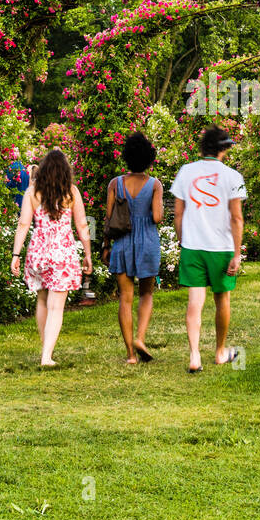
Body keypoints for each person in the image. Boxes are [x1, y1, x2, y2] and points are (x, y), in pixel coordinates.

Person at [170, 126, 246, 373]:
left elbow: (178, 214)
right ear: (223, 148)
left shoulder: (185, 172)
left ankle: (194, 356)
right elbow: (236, 218)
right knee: (222, 299)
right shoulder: (233, 177)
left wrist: (183, 240)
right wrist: (236, 253)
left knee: (195, 301)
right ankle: (220, 351)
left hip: (193, 246)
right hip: (221, 248)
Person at [10, 149, 93, 367]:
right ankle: (46, 356)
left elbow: (23, 224)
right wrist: (88, 254)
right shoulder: (71, 192)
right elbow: (82, 226)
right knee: (56, 307)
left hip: (38, 251)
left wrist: (16, 254)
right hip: (62, 253)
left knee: (42, 300)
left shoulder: (32, 193)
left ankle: (45, 347)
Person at [105, 132, 163, 364]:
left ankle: (130, 355)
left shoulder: (115, 184)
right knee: (146, 293)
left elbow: (108, 219)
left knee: (125, 299)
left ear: (127, 157)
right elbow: (158, 217)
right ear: (149, 159)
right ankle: (140, 338)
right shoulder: (154, 184)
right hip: (147, 241)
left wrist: (105, 246)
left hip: (122, 243)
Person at [5, 147, 30, 212]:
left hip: (14, 202)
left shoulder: (11, 168)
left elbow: (7, 187)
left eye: (17, 151)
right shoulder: (25, 169)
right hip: (25, 202)